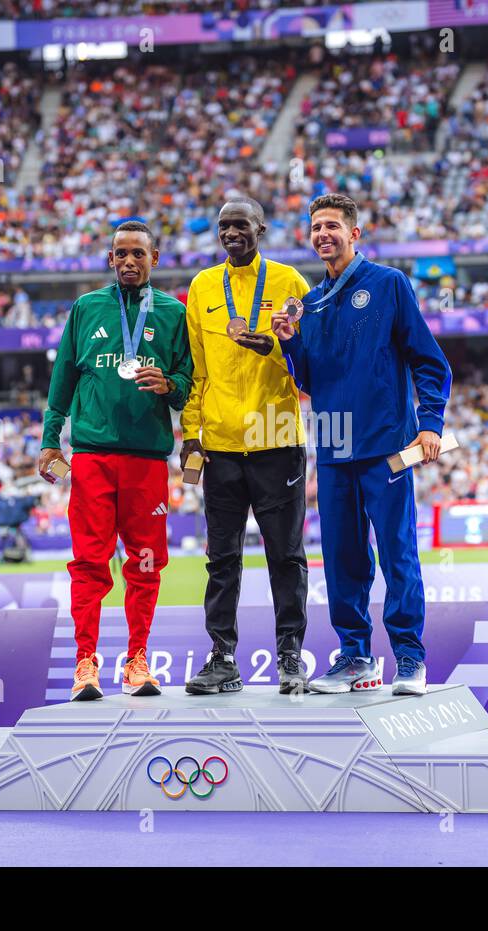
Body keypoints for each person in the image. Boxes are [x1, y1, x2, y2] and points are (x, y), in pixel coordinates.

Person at [271, 194, 451, 696]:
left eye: (332, 225)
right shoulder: (309, 303)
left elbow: (429, 361)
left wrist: (431, 422)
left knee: (397, 553)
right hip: (332, 445)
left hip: (387, 445)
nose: (322, 234)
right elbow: (310, 378)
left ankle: (411, 659)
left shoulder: (389, 284)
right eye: (315, 227)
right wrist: (290, 342)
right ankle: (356, 657)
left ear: (355, 234)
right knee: (342, 557)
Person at [37, 222, 193, 701]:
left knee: (145, 564)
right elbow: (62, 377)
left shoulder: (172, 313)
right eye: (121, 254)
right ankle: (85, 663)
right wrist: (49, 440)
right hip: (91, 457)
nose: (129, 262)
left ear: (155, 258)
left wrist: (169, 384)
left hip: (147, 461)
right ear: (110, 259)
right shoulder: (86, 309)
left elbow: (189, 383)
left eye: (138, 254)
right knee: (88, 563)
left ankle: (137, 661)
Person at [181, 198, 312, 696]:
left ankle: (291, 655)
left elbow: (310, 356)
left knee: (286, 554)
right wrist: (191, 432)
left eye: (240, 224)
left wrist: (273, 348)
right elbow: (197, 367)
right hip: (219, 443)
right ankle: (222, 658)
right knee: (222, 558)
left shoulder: (289, 283)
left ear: (260, 227)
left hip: (275, 436)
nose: (231, 233)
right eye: (223, 226)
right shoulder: (202, 286)